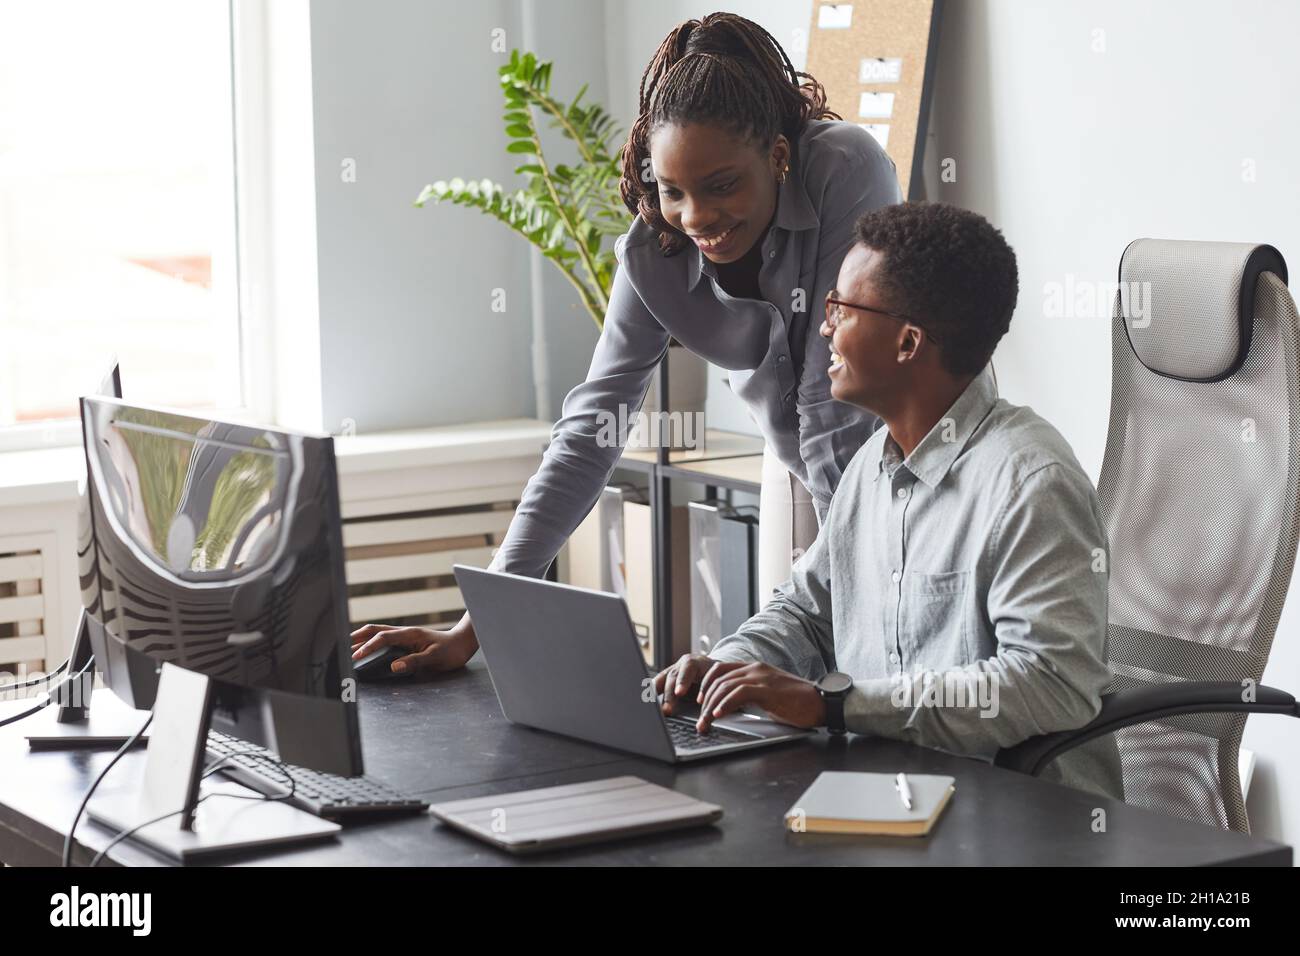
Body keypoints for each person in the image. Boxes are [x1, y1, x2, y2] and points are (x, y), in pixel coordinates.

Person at [351, 13, 901, 675]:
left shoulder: (844, 168)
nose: (697, 217)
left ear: (778, 157)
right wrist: (475, 627)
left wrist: (882, 578)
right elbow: (589, 432)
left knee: (895, 681)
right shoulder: (653, 256)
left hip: (902, 463)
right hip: (798, 470)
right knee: (791, 696)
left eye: (721, 184)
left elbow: (831, 404)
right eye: (674, 192)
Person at [654, 201, 1123, 800]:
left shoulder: (1031, 482)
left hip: (1020, 820)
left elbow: (1051, 681)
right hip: (893, 797)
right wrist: (730, 668)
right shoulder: (873, 465)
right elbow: (807, 613)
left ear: (907, 342)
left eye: (841, 309)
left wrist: (834, 705)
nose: (824, 327)